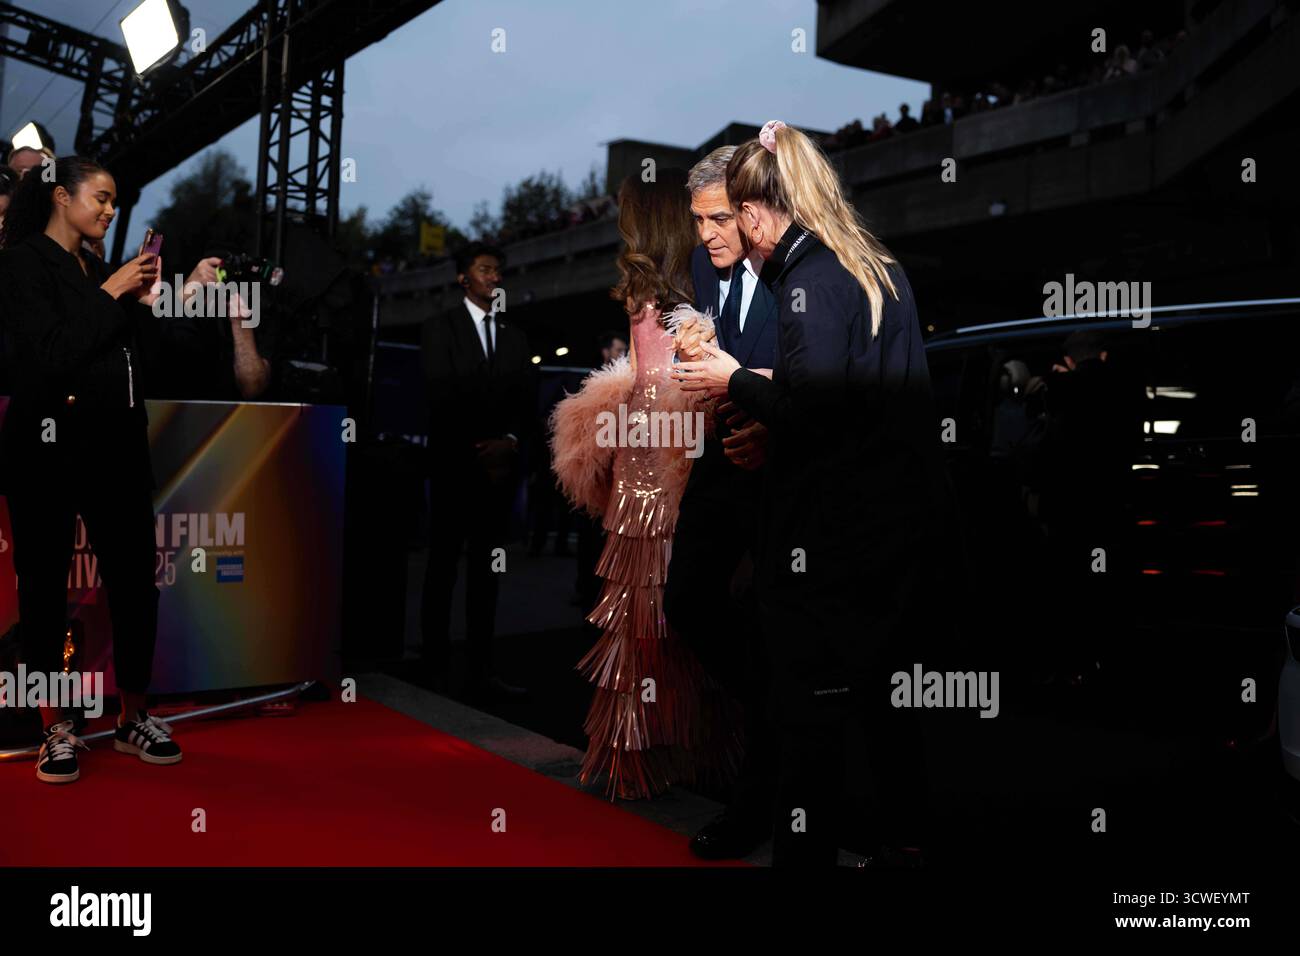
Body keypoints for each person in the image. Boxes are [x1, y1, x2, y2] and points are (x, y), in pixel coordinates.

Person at [673, 121, 951, 866]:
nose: (729, 237)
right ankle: (904, 837)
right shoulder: (875, 265)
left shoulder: (811, 279)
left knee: (808, 730)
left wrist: (732, 380)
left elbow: (814, 413)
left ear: (759, 212)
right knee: (883, 701)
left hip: (827, 535)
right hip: (889, 532)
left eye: (732, 219)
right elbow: (857, 395)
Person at [549, 168, 739, 799]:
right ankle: (680, 756)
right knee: (664, 614)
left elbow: (656, 388)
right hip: (657, 467)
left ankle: (650, 757)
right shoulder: (681, 293)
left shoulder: (667, 299)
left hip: (656, 469)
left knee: (652, 613)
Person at [0, 156, 187, 783]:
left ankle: (135, 716)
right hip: (46, 449)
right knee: (45, 592)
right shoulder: (23, 262)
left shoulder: (105, 271)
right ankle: (55, 727)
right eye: (101, 198)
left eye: (114, 201)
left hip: (117, 447)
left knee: (137, 582)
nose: (110, 211)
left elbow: (138, 364)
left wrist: (147, 302)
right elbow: (49, 357)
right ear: (61, 196)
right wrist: (109, 295)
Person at [663, 146, 780, 859]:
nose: (705, 235)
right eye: (697, 220)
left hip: (783, 475)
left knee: (778, 633)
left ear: (748, 207)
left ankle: (759, 802)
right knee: (686, 601)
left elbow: (820, 376)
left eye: (716, 218)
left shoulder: (801, 269)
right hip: (719, 463)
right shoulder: (707, 267)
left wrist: (774, 423)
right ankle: (773, 704)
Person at [420, 242, 534, 700]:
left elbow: (528, 402)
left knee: (487, 575)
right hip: (455, 470)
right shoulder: (438, 329)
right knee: (442, 569)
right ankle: (434, 668)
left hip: (498, 475)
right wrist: (480, 449)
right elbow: (440, 396)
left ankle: (481, 670)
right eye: (485, 269)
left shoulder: (515, 337)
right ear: (462, 278)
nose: (494, 277)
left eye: (498, 270)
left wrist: (508, 444)